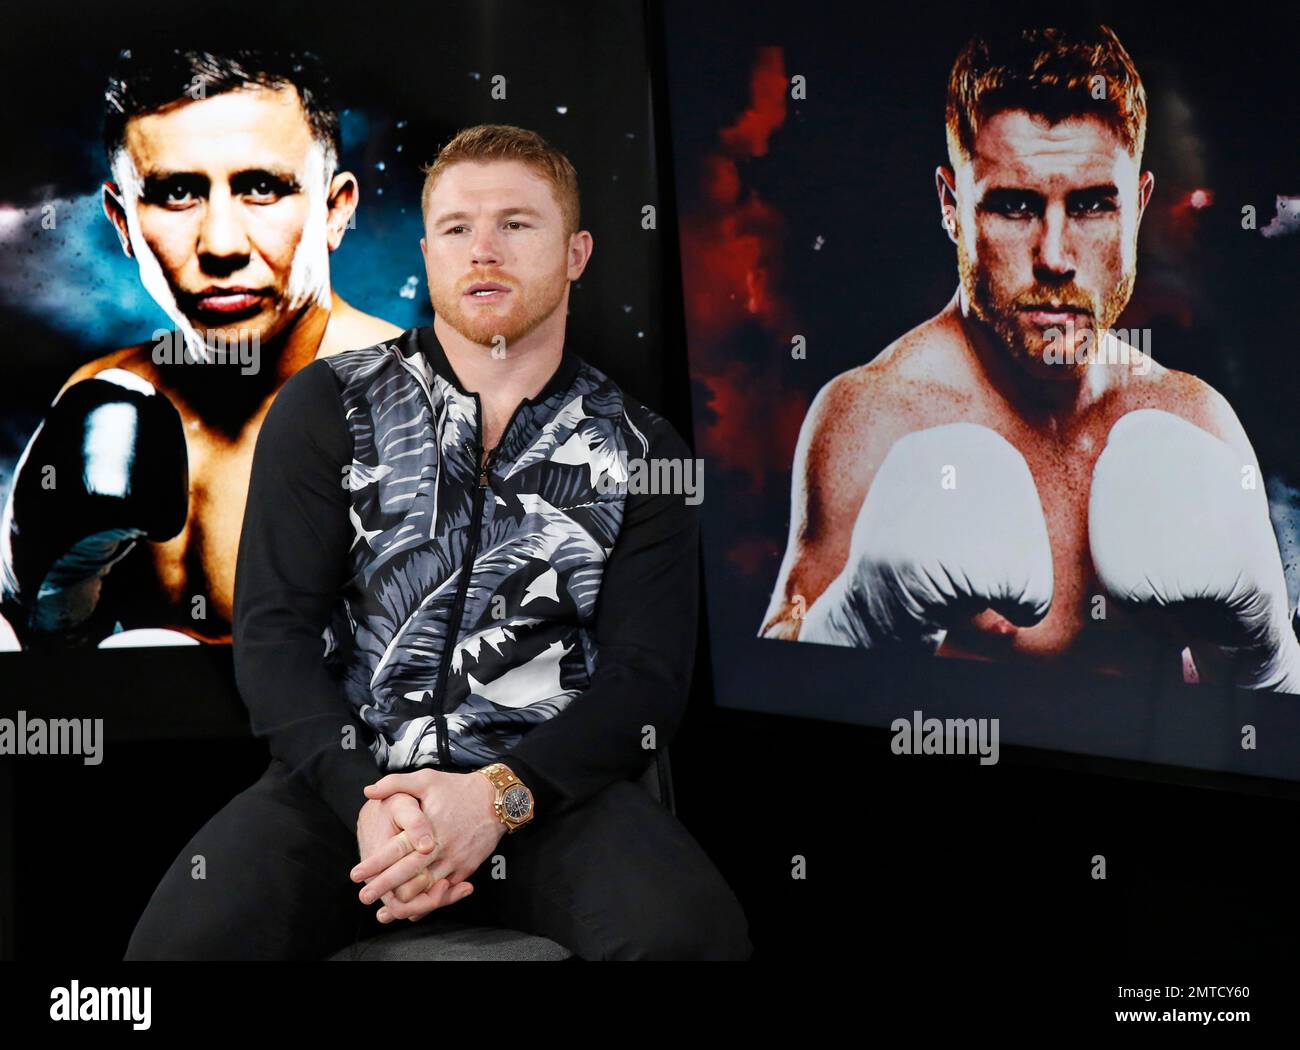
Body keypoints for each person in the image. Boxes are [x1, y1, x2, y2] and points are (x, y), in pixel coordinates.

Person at [124, 124, 753, 960]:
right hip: (347, 790)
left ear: (576, 252)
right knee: (177, 950)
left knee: (694, 939)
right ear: (428, 251)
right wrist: (368, 805)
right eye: (458, 228)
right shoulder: (327, 405)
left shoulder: (645, 450)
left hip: (546, 797)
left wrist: (497, 800)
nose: (483, 251)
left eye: (516, 225)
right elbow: (274, 637)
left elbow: (647, 682)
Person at [760, 25, 1300, 693]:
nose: (1054, 256)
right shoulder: (875, 416)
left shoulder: (1195, 419)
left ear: (1138, 207)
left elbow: (1250, 743)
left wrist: (1266, 663)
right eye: (1014, 207)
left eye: (1092, 205)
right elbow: (781, 692)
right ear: (951, 207)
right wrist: (863, 618)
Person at [0, 48, 402, 649]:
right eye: (177, 193)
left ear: (334, 210)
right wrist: (45, 619)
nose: (220, 244)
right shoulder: (104, 393)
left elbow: (486, 688)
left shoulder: (424, 409)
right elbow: (45, 652)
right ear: (122, 223)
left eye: (262, 188)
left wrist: (209, 678)